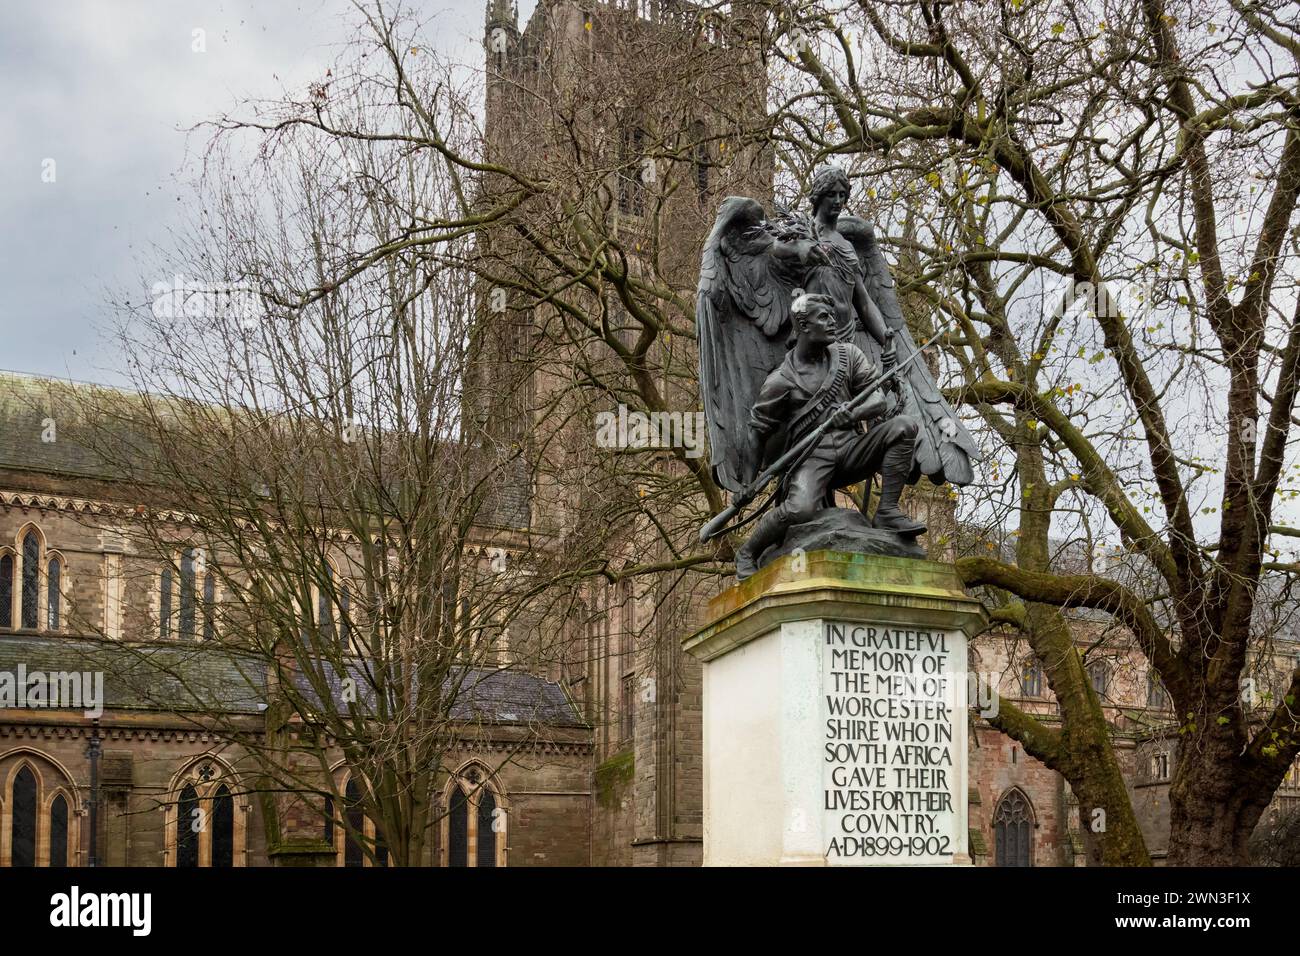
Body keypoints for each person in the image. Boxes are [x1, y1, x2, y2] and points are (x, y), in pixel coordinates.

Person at [734, 292, 925, 578]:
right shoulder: (781, 381)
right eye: (823, 317)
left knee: (904, 427)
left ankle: (886, 511)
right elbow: (756, 431)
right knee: (800, 509)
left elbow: (878, 399)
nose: (833, 322)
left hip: (851, 448)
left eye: (832, 316)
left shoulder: (848, 355)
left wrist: (854, 412)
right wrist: (747, 485)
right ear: (803, 326)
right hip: (812, 458)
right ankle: (749, 550)